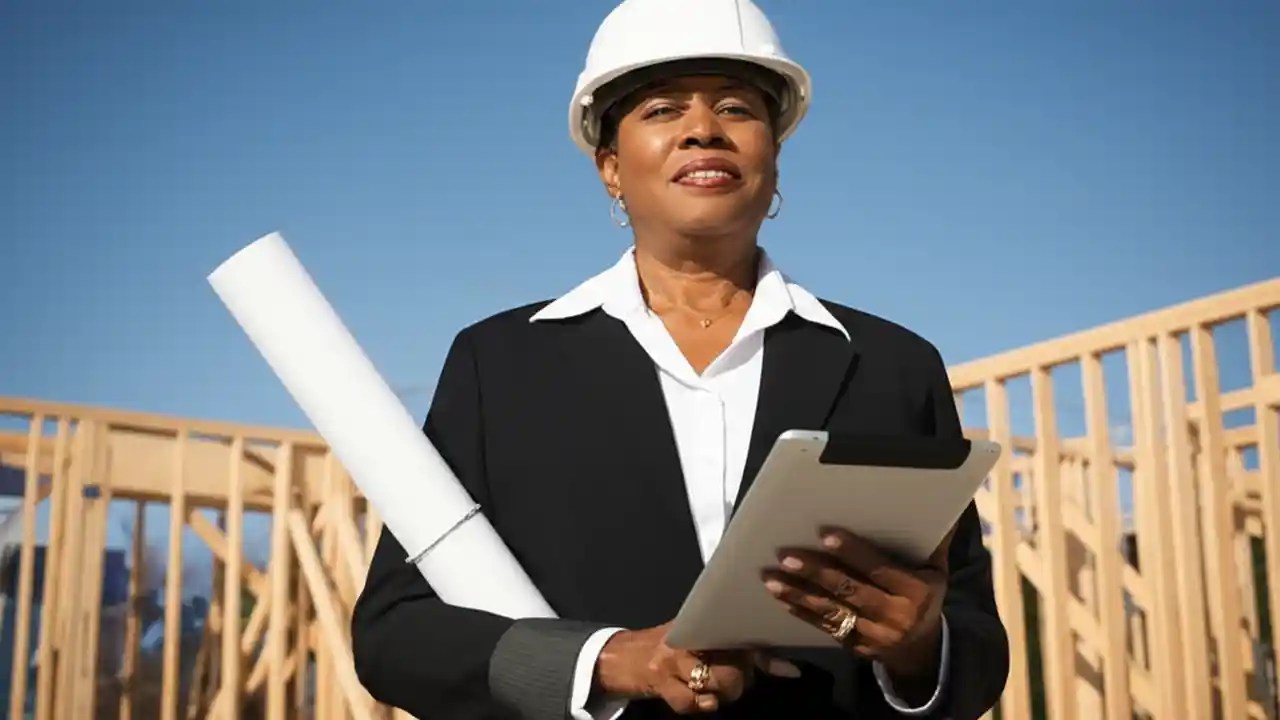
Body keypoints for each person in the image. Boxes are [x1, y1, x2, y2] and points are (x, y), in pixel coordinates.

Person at [351, 0, 1009, 717]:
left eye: (735, 107)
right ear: (609, 166)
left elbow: (974, 640)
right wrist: (603, 661)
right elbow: (396, 631)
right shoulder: (499, 364)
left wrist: (916, 648)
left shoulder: (894, 367)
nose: (704, 129)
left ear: (774, 154)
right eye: (663, 110)